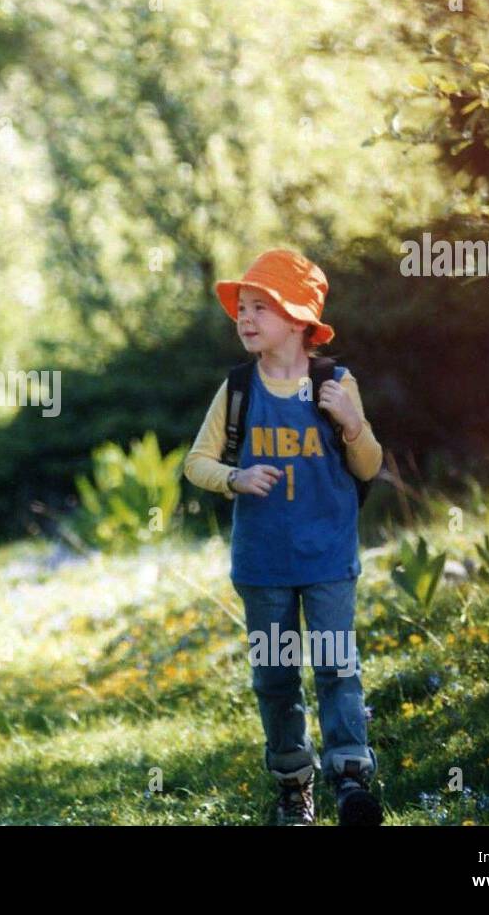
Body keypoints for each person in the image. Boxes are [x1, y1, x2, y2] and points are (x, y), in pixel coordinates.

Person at [184, 249, 383, 826]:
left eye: (259, 307)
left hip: (327, 558)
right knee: (275, 677)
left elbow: (368, 466)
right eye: (241, 308)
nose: (244, 318)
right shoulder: (238, 389)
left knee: (336, 668)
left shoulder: (336, 383)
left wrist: (352, 421)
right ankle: (294, 788)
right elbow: (196, 462)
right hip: (262, 563)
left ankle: (350, 779)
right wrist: (235, 477)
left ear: (298, 319)